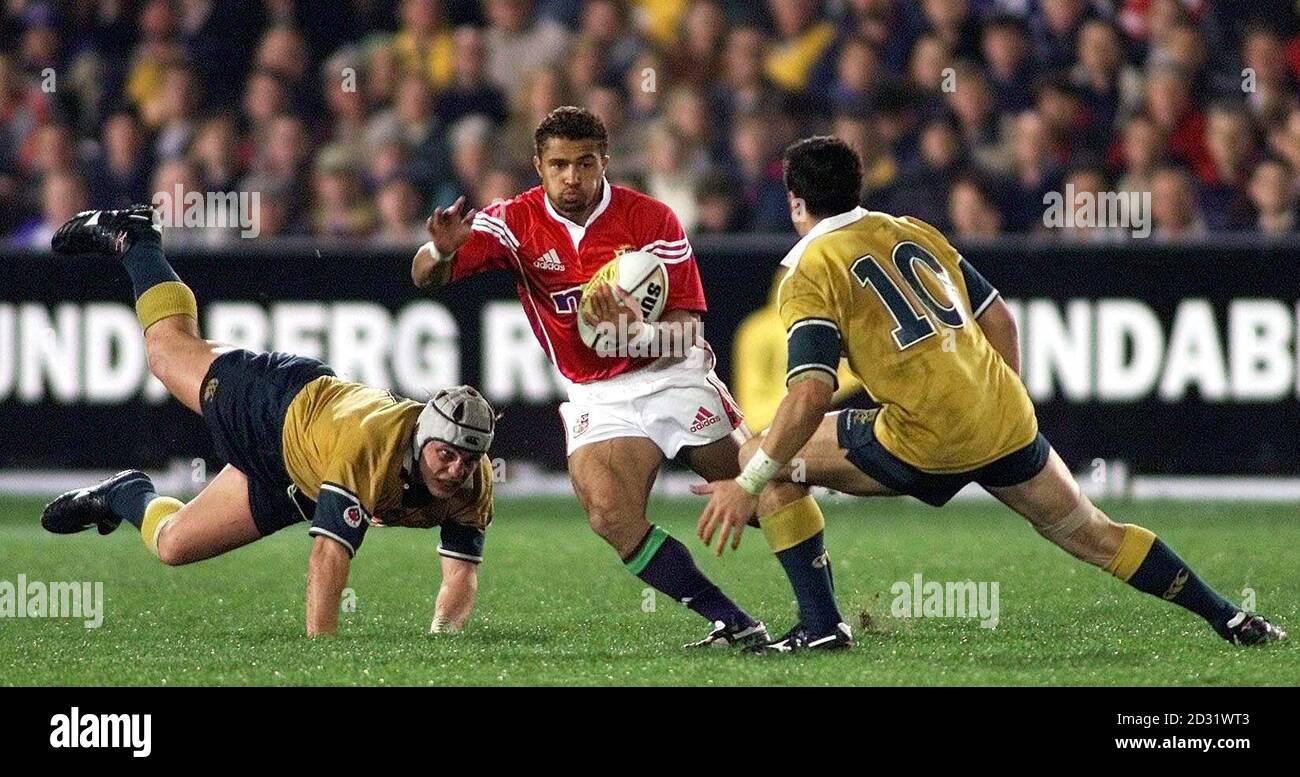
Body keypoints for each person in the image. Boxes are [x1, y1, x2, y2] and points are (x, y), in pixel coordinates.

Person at [694, 136, 1287, 651]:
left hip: (921, 438)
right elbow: (999, 317)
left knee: (759, 460)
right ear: (857, 187)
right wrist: (991, 399)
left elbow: (811, 391)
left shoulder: (808, 269)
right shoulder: (911, 229)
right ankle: (1230, 616)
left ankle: (821, 626)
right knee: (1093, 533)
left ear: (795, 202)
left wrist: (747, 483)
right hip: (1004, 418)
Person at [42, 206, 496, 636]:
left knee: (173, 545)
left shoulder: (472, 484)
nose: (457, 469)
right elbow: (328, 555)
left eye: (469, 459)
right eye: (447, 454)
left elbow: (460, 572)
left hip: (299, 475)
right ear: (421, 441)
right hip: (276, 406)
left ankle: (125, 493)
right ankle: (137, 238)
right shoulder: (372, 445)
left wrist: (443, 641)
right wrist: (324, 658)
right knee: (166, 353)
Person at [412, 106, 766, 648]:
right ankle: (734, 622)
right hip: (597, 394)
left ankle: (823, 616)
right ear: (538, 166)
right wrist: (439, 248)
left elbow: (689, 331)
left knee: (762, 493)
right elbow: (423, 276)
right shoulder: (513, 223)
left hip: (672, 377)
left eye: (584, 164)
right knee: (608, 513)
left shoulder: (651, 220)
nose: (571, 177)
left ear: (605, 162)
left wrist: (636, 333)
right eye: (558, 165)